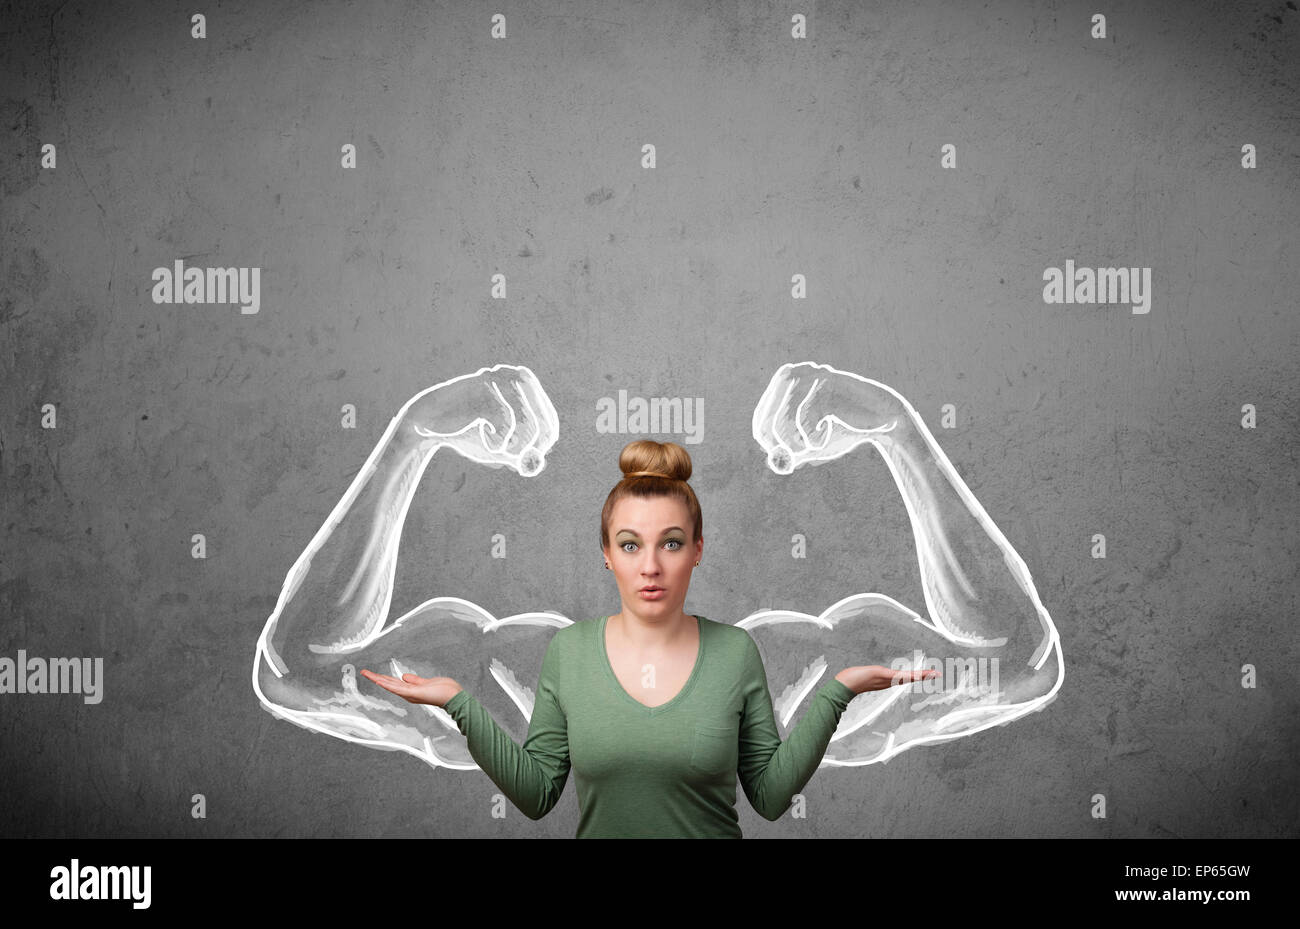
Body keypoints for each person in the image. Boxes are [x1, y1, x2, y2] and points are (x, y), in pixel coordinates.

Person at [360, 439, 935, 838]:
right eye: (631, 544)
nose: (651, 566)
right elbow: (537, 796)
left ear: (698, 551)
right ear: (606, 555)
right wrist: (457, 703)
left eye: (672, 542)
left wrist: (838, 691)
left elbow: (768, 796)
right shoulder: (570, 653)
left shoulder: (736, 653)